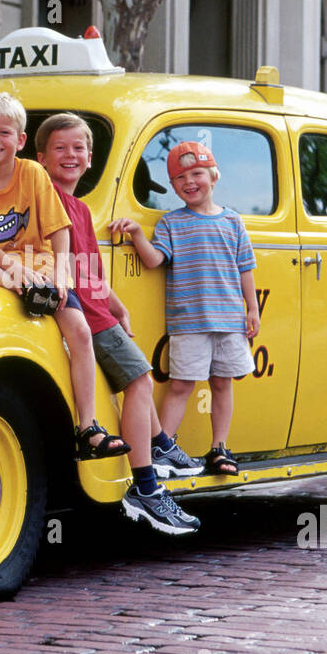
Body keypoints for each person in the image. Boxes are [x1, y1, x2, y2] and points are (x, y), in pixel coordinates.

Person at [0, 93, 128, 460]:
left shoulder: (33, 173)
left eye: (5, 132)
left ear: (20, 141)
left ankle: (88, 426)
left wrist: (61, 273)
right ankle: (19, 287)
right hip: (0, 272)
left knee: (81, 332)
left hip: (42, 269)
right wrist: (12, 271)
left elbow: (59, 229)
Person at [34, 113, 202, 535]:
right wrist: (100, 314)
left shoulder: (81, 209)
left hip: (98, 310)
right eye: (59, 148)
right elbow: (65, 271)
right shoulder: (48, 201)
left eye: (78, 148)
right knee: (141, 381)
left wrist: (118, 306)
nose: (70, 155)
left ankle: (162, 448)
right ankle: (147, 486)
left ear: (90, 158)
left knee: (139, 377)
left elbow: (88, 271)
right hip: (85, 316)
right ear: (39, 158)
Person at [109, 140, 260, 476]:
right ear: (173, 186)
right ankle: (161, 447)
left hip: (230, 321)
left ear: (214, 176)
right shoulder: (171, 223)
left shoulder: (233, 221)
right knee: (181, 385)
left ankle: (219, 448)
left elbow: (245, 267)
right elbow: (153, 260)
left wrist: (252, 309)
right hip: (189, 321)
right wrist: (136, 233)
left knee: (223, 383)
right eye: (180, 178)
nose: (189, 182)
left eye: (197, 173)